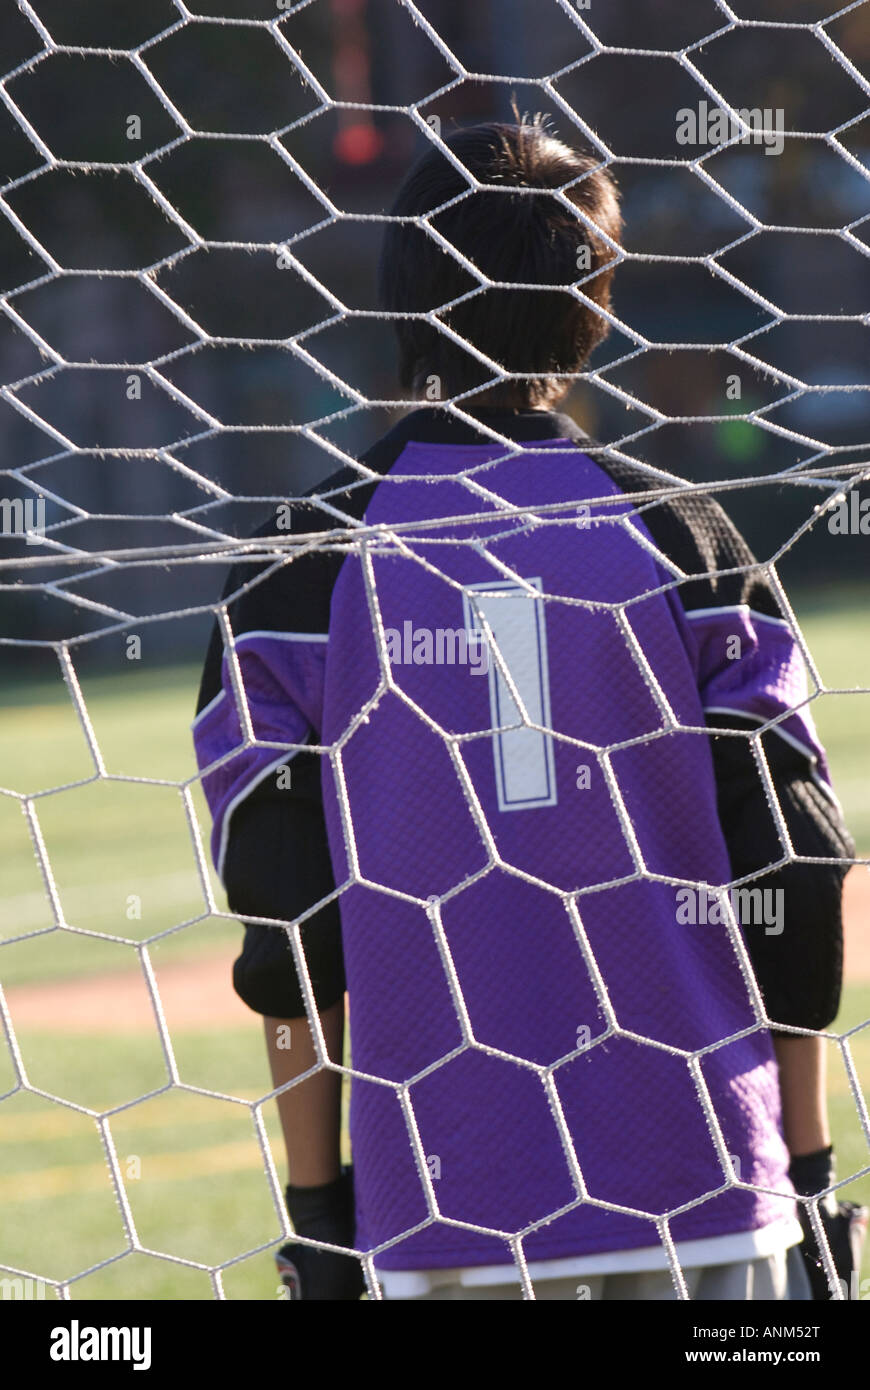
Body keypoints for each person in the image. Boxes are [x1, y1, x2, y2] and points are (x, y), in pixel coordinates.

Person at [192, 116, 863, 1300]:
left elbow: (289, 930)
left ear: (402, 296)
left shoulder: (298, 568)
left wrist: (321, 1219)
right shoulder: (690, 543)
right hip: (709, 1194)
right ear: (595, 303)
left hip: (446, 1211)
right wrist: (805, 1180)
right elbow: (793, 882)